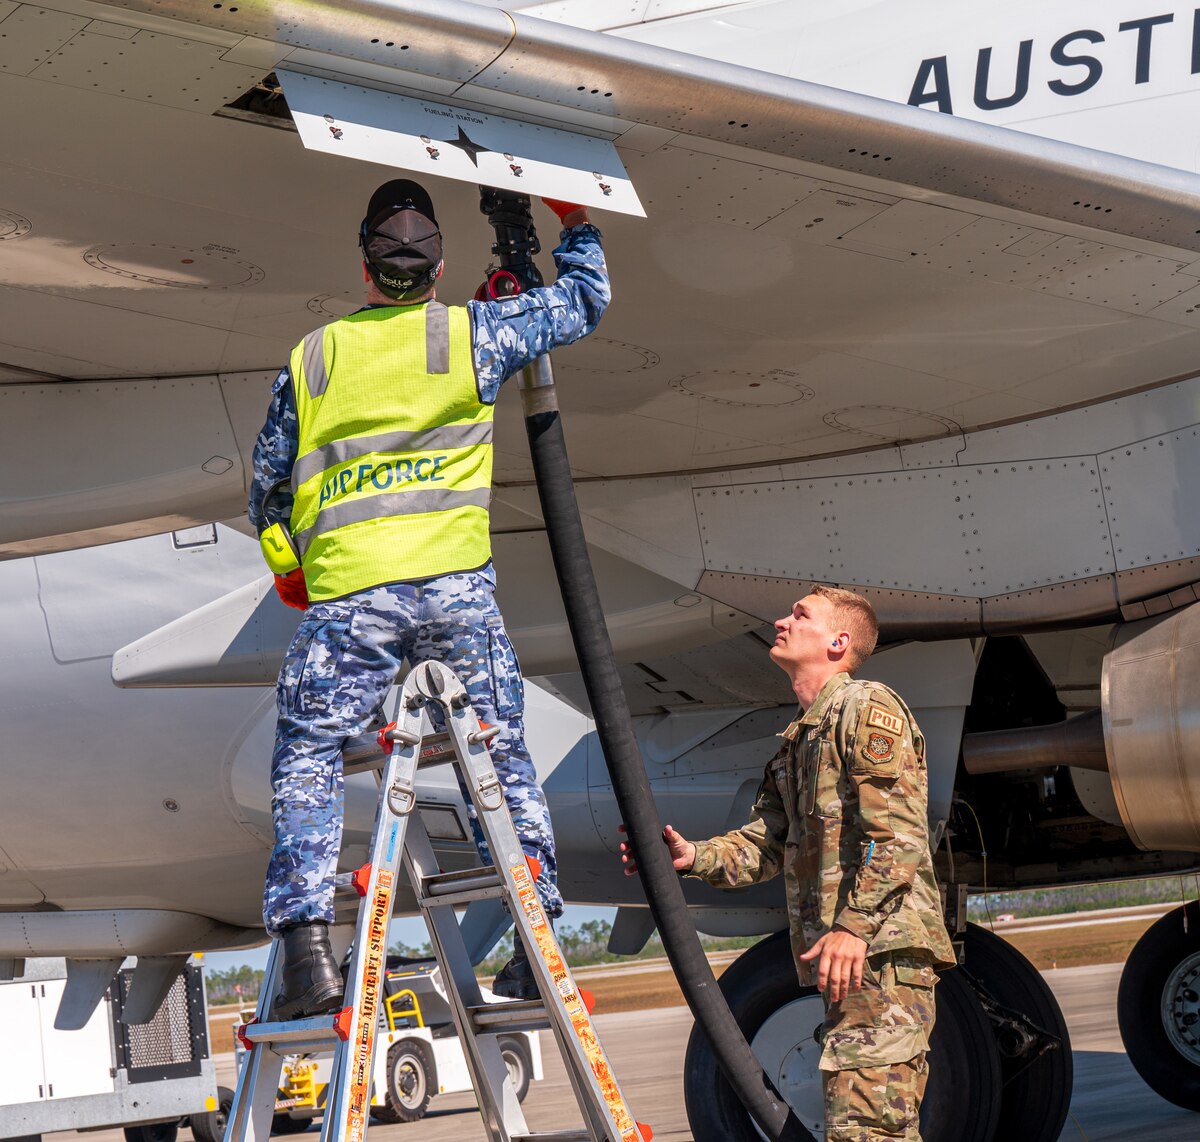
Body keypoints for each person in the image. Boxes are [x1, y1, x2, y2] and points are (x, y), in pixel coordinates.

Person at [249, 178, 609, 1019]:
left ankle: (309, 951)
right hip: (456, 596)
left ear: (366, 265)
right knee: (503, 756)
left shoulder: (314, 358)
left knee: (308, 754)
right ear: (439, 267)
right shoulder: (475, 332)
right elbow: (585, 301)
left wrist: (289, 566)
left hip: (348, 598)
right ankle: (536, 946)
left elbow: (268, 489)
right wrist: (576, 223)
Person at [621, 586, 955, 1141]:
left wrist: (854, 925)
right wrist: (692, 857)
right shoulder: (800, 741)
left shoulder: (866, 708)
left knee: (868, 1132)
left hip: (880, 955)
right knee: (861, 1129)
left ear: (838, 641)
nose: (782, 620)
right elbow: (768, 843)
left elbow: (896, 835)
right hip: (851, 963)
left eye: (801, 615)